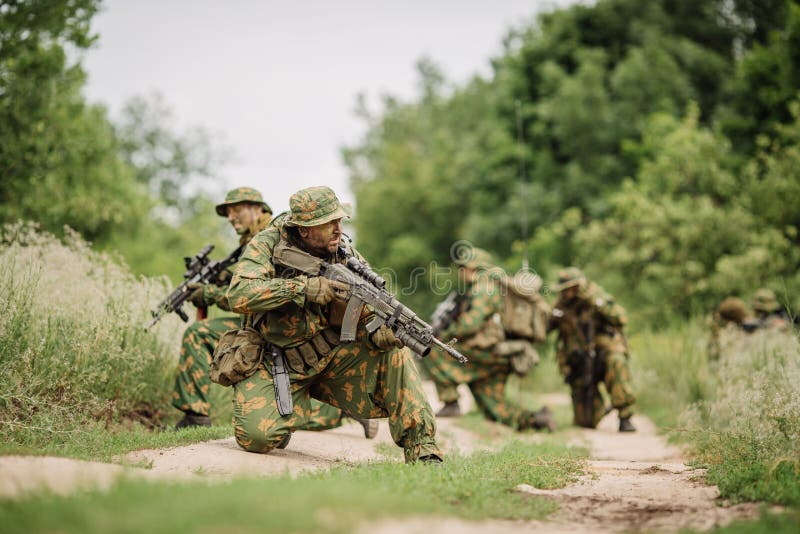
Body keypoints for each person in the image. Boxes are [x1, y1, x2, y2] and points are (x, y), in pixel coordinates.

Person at [225, 186, 441, 463]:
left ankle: (424, 448)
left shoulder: (346, 255)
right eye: (330, 223)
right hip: (278, 361)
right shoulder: (267, 245)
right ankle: (289, 414)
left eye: (340, 220)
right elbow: (239, 294)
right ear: (304, 230)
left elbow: (363, 320)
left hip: (332, 359)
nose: (339, 228)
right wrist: (302, 289)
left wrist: (382, 335)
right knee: (257, 438)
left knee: (396, 352)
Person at [173, 187, 377, 441]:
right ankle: (336, 412)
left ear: (258, 209)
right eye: (227, 213)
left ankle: (197, 416)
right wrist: (221, 281)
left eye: (236, 210)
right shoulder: (248, 241)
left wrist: (210, 295)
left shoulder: (268, 236)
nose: (231, 217)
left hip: (277, 324)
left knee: (198, 334)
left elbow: (251, 296)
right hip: (271, 320)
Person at [420, 247, 555, 432]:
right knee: (495, 410)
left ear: (478, 268)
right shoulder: (486, 287)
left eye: (465, 267)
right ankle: (538, 419)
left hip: (487, 351)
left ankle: (451, 401)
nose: (461, 272)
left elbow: (471, 324)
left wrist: (445, 334)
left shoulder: (483, 289)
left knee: (434, 349)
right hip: (492, 354)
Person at [548, 267, 636, 432]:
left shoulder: (597, 298)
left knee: (616, 361)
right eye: (564, 290)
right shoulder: (562, 306)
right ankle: (600, 409)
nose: (567, 293)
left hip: (603, 356)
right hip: (580, 364)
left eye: (571, 288)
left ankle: (625, 416)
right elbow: (545, 327)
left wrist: (596, 302)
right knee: (585, 422)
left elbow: (621, 318)